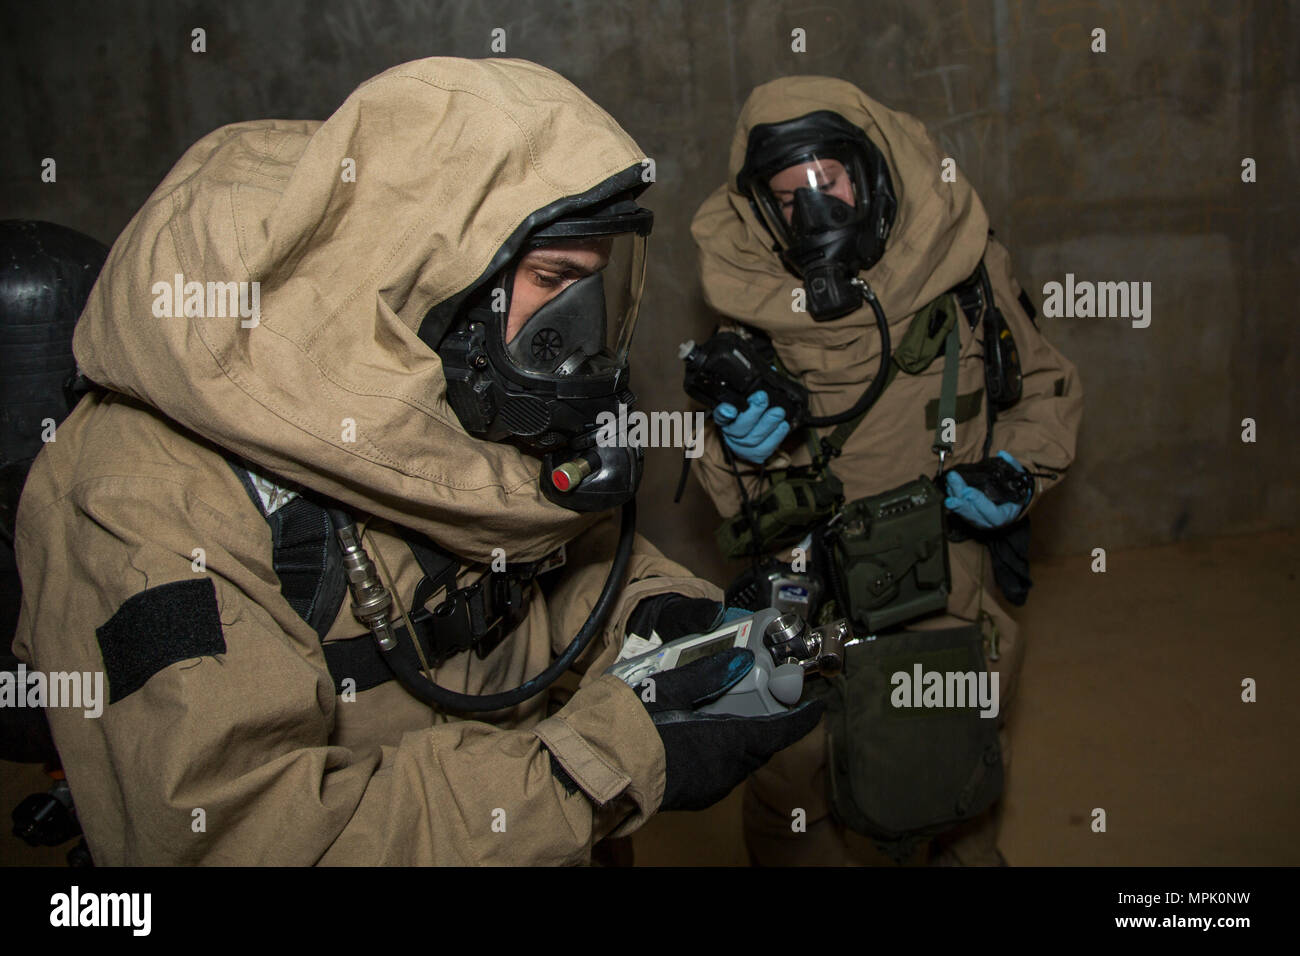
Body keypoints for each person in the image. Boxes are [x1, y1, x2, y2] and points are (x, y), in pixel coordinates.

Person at [11, 57, 821, 866]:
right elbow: (240, 837)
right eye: (552, 281)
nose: (577, 337)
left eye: (594, 289)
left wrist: (657, 617)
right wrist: (598, 768)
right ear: (434, 273)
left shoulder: (447, 387)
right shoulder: (143, 487)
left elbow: (549, 570)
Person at [687, 76, 1083, 865]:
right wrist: (735, 446)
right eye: (787, 194)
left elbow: (1044, 383)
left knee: (950, 778)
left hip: (944, 578)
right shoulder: (752, 302)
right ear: (761, 211)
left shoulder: (965, 266)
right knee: (793, 789)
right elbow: (732, 500)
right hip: (812, 596)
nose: (815, 209)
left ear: (868, 172)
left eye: (827, 180)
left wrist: (1016, 470)